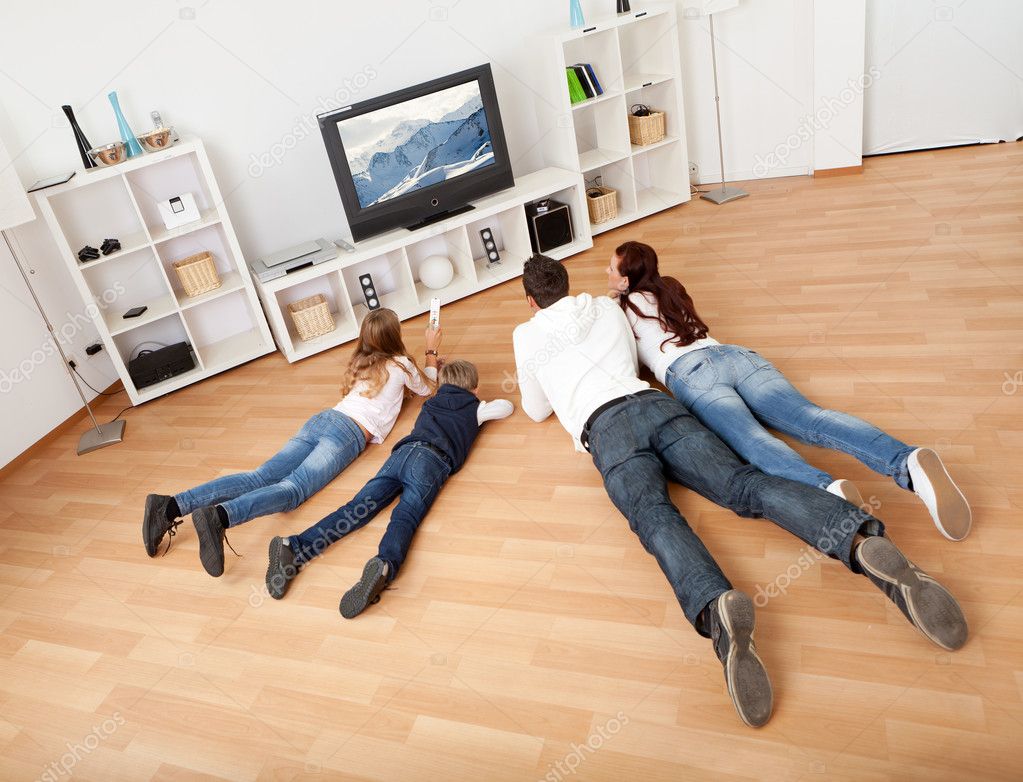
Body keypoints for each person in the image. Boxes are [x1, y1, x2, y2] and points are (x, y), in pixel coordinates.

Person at [512, 253, 968, 728]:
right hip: (655, 405)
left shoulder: (527, 334)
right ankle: (858, 539)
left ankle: (717, 609)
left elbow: (537, 409)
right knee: (744, 485)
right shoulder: (606, 309)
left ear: (530, 300)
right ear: (566, 282)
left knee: (657, 519)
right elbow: (631, 360)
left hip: (606, 430)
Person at [606, 240, 972, 541]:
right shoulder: (671, 289)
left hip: (691, 374)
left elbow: (620, 354)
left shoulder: (619, 309)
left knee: (753, 442)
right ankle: (905, 460)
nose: (606, 272)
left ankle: (827, 490)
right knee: (811, 419)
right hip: (734, 354)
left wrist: (613, 304)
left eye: (611, 269)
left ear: (625, 281)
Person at [141, 309, 442, 577]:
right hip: (348, 433)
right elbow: (428, 387)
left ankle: (169, 506)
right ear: (394, 337)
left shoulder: (362, 361)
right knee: (293, 490)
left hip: (322, 420)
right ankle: (220, 516)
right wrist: (431, 350)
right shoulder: (402, 365)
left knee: (259, 476)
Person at [264, 359, 513, 617]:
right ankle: (384, 564)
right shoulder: (474, 408)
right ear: (475, 388)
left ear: (442, 386)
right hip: (431, 462)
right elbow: (505, 407)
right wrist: (480, 405)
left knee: (357, 509)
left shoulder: (431, 403)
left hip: (401, 454)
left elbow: (431, 387)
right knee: (406, 516)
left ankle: (294, 547)